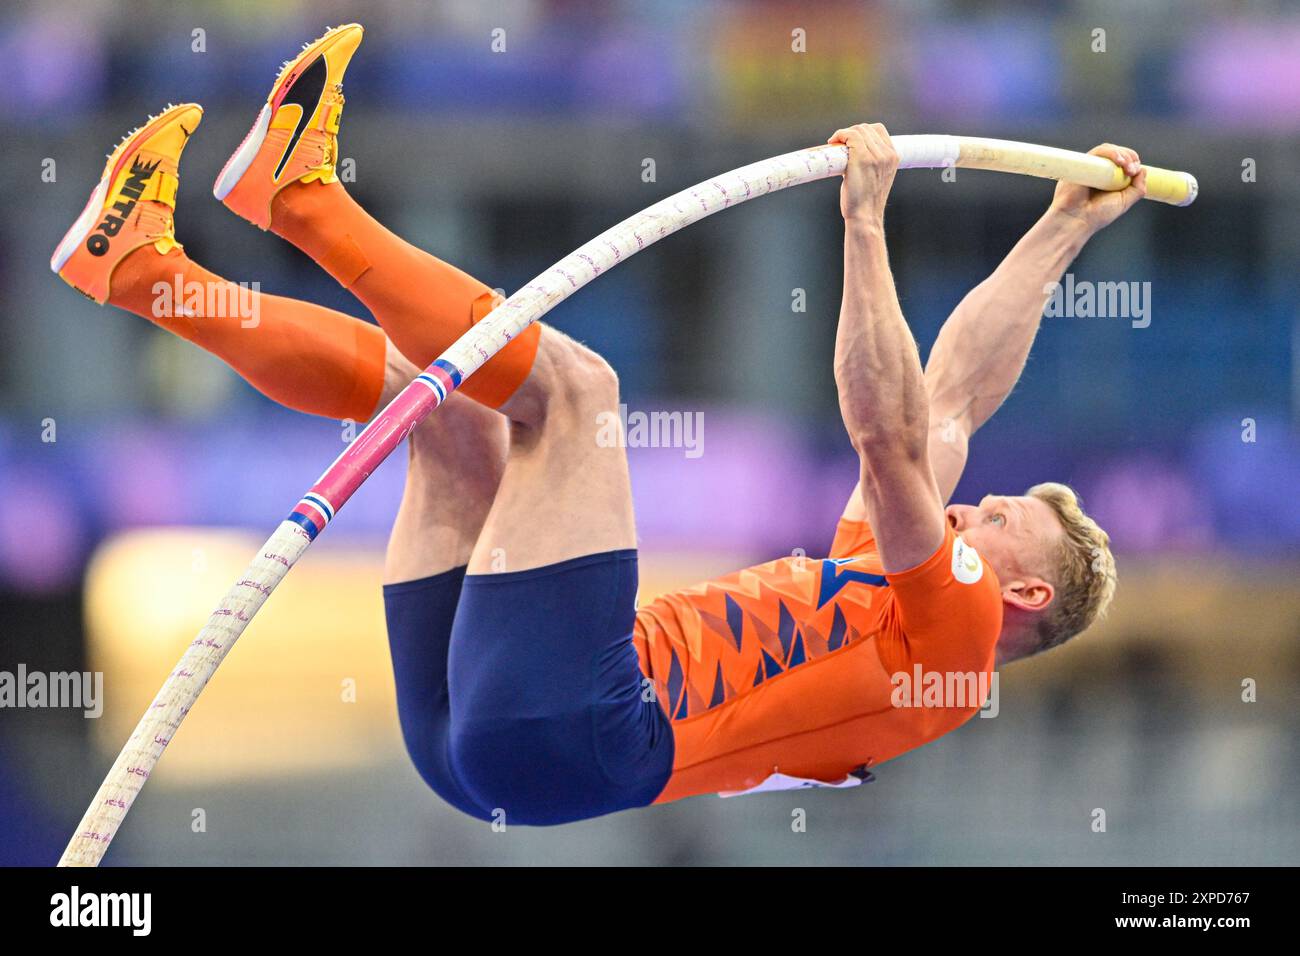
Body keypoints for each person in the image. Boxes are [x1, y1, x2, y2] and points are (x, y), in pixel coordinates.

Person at [53, 25, 1132, 826]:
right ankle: (144, 269)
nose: (973, 498)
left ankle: (301, 202)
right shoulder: (884, 598)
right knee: (440, 418)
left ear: (1022, 591)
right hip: (494, 745)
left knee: (575, 392)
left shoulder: (950, 638)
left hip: (578, 728)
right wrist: (1057, 232)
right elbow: (948, 398)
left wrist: (861, 218)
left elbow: (892, 436)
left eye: (996, 515)